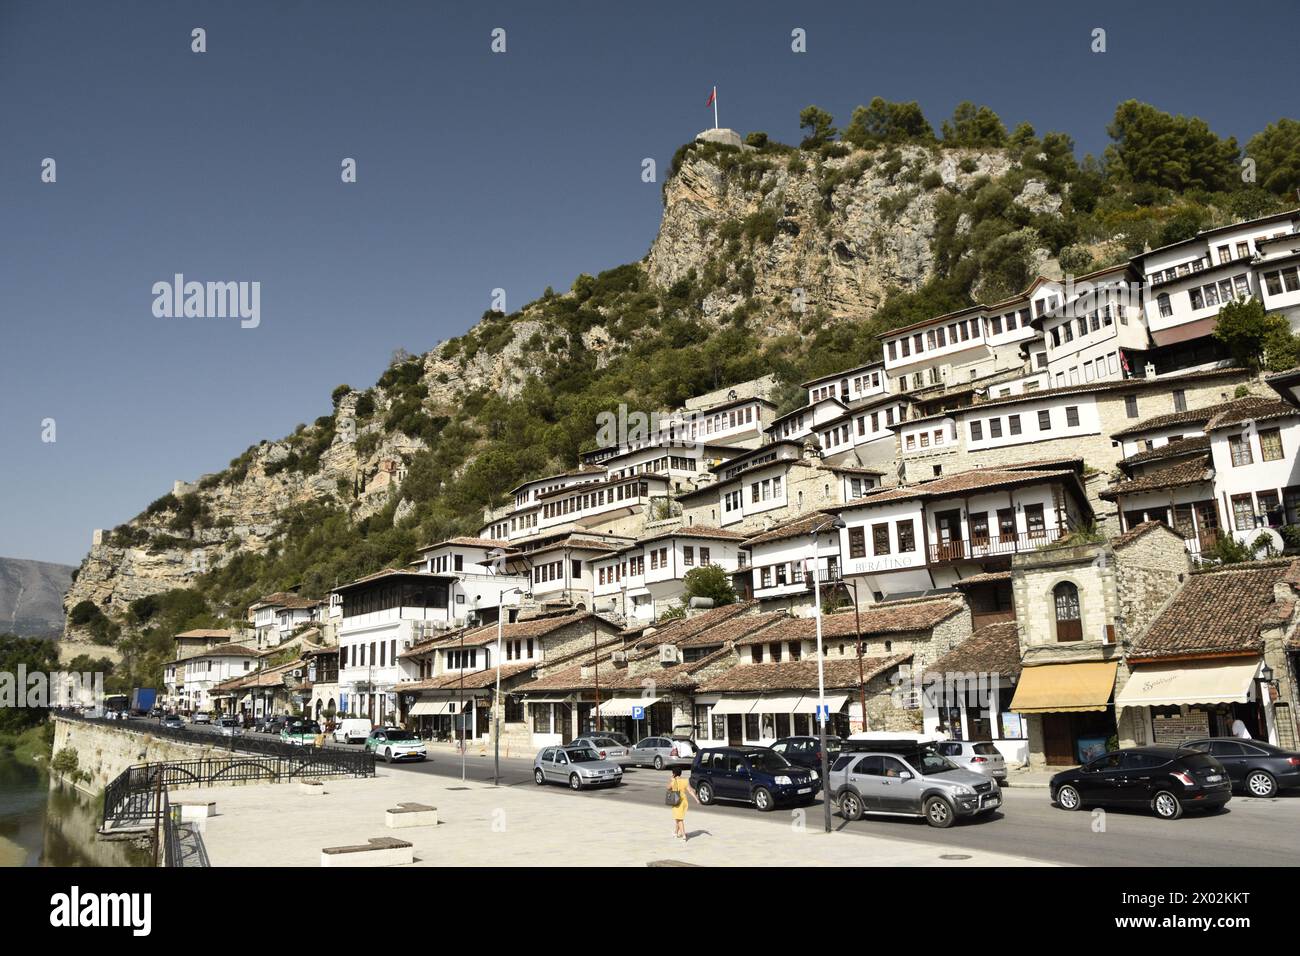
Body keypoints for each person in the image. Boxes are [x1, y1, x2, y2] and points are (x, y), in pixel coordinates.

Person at [666, 766, 698, 841]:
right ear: (680, 773)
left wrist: (671, 780)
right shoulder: (685, 781)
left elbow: (668, 787)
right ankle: (675, 833)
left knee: (679, 819)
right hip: (684, 802)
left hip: (676, 801)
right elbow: (690, 791)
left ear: (673, 774)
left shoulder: (673, 781)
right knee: (678, 818)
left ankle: (684, 836)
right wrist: (696, 799)